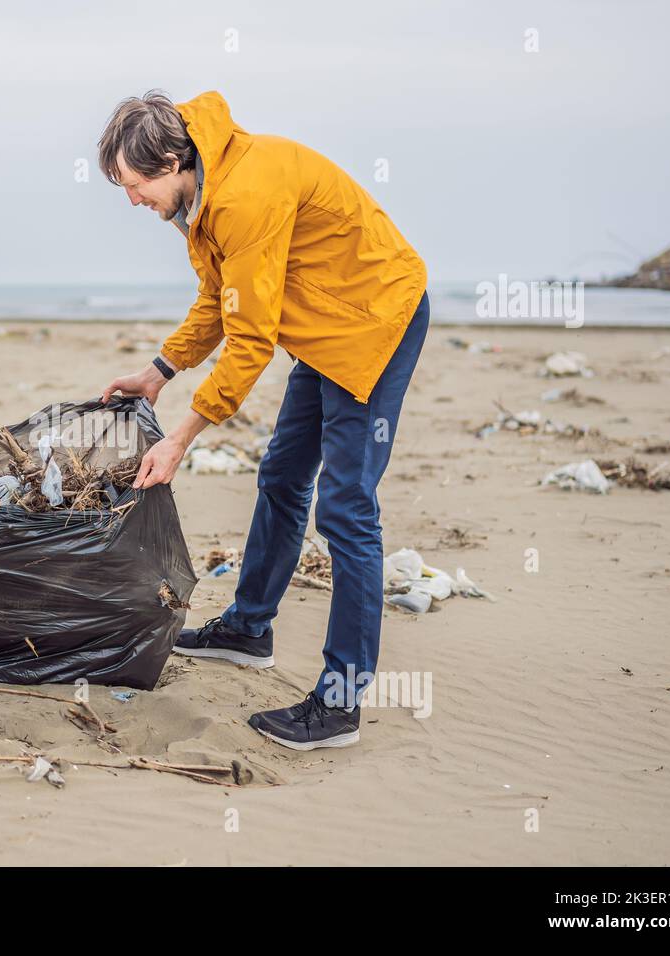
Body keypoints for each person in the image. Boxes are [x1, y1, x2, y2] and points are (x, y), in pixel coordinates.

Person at [98, 91, 429, 750]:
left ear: (168, 159)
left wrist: (181, 439)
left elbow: (250, 342)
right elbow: (219, 304)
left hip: (374, 321)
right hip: (323, 326)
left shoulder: (246, 194)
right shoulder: (204, 193)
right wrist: (159, 373)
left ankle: (339, 706)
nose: (132, 200)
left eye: (135, 186)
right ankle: (249, 628)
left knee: (345, 508)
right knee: (281, 474)